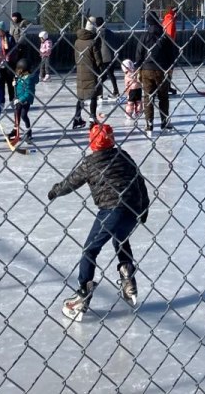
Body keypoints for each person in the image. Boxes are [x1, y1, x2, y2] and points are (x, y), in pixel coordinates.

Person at [49, 120, 150, 318]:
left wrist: (55, 191)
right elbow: (140, 181)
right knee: (121, 240)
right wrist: (144, 208)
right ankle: (127, 276)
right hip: (133, 208)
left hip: (112, 210)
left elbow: (71, 182)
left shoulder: (90, 162)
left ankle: (83, 294)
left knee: (90, 250)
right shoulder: (123, 155)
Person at [135, 10, 179, 137]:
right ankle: (164, 121)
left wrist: (139, 66)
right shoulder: (164, 36)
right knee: (163, 97)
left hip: (147, 69)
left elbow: (139, 53)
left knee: (148, 97)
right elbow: (172, 53)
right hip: (162, 70)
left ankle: (149, 124)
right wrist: (170, 67)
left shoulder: (144, 36)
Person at [73, 18, 104, 129]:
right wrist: (101, 68)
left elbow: (76, 57)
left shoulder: (77, 41)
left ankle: (77, 117)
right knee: (93, 95)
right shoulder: (93, 42)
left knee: (81, 96)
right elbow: (98, 60)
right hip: (92, 72)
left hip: (81, 70)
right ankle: (92, 117)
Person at [10, 58, 38, 146]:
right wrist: (15, 84)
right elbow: (19, 85)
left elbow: (28, 93)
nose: (17, 71)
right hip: (18, 98)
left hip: (25, 100)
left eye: (19, 70)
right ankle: (15, 130)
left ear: (24, 70)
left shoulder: (29, 80)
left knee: (23, 115)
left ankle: (28, 132)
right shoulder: (21, 76)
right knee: (16, 114)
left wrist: (20, 100)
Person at [0, 21, 18, 96]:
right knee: (1, 82)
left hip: (9, 64)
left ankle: (12, 98)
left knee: (10, 81)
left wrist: (8, 58)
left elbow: (14, 50)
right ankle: (1, 99)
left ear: (3, 30)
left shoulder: (10, 38)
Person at [95, 16, 121, 99]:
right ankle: (115, 91)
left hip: (104, 57)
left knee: (102, 75)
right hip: (112, 56)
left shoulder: (99, 32)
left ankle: (99, 93)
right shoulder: (110, 32)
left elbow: (96, 44)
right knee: (110, 74)